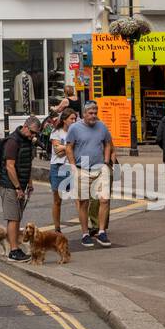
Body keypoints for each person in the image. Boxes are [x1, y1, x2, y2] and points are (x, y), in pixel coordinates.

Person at [65, 100, 114, 248]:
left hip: (100, 168)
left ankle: (101, 232)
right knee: (84, 202)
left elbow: (108, 143)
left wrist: (106, 161)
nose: (93, 116)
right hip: (82, 169)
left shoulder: (102, 126)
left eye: (95, 113)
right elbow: (69, 148)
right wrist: (73, 167)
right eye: (90, 113)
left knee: (104, 200)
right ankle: (85, 233)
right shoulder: (74, 128)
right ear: (84, 114)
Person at [0, 116, 39, 261]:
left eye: (36, 134)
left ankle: (15, 247)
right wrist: (17, 187)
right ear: (25, 127)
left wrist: (29, 183)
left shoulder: (27, 142)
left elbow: (27, 164)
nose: (33, 136)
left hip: (21, 185)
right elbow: (10, 167)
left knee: (17, 217)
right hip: (10, 186)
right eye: (33, 132)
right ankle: (13, 251)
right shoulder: (13, 141)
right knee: (13, 218)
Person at [48, 111, 72, 233]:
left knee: (79, 198)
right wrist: (71, 147)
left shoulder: (76, 132)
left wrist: (64, 148)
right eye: (71, 119)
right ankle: (57, 228)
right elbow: (57, 151)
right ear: (64, 120)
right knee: (57, 200)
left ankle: (85, 228)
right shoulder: (56, 132)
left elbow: (62, 149)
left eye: (75, 119)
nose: (74, 121)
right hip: (58, 167)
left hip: (72, 167)